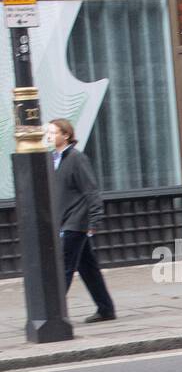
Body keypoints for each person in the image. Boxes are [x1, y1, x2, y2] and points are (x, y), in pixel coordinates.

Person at [47, 118, 116, 323]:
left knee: (65, 268)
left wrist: (94, 220)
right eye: (48, 133)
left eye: (53, 132)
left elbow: (91, 191)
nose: (49, 136)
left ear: (66, 135)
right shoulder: (53, 159)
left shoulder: (77, 159)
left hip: (76, 222)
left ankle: (54, 315)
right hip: (64, 221)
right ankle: (106, 309)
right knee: (88, 267)